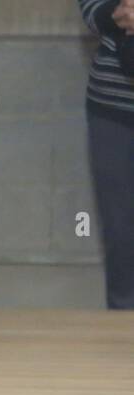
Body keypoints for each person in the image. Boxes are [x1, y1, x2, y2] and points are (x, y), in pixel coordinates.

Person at [80, 0, 134, 309]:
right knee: (121, 237)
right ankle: (122, 343)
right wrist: (121, 12)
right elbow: (91, 11)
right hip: (113, 110)